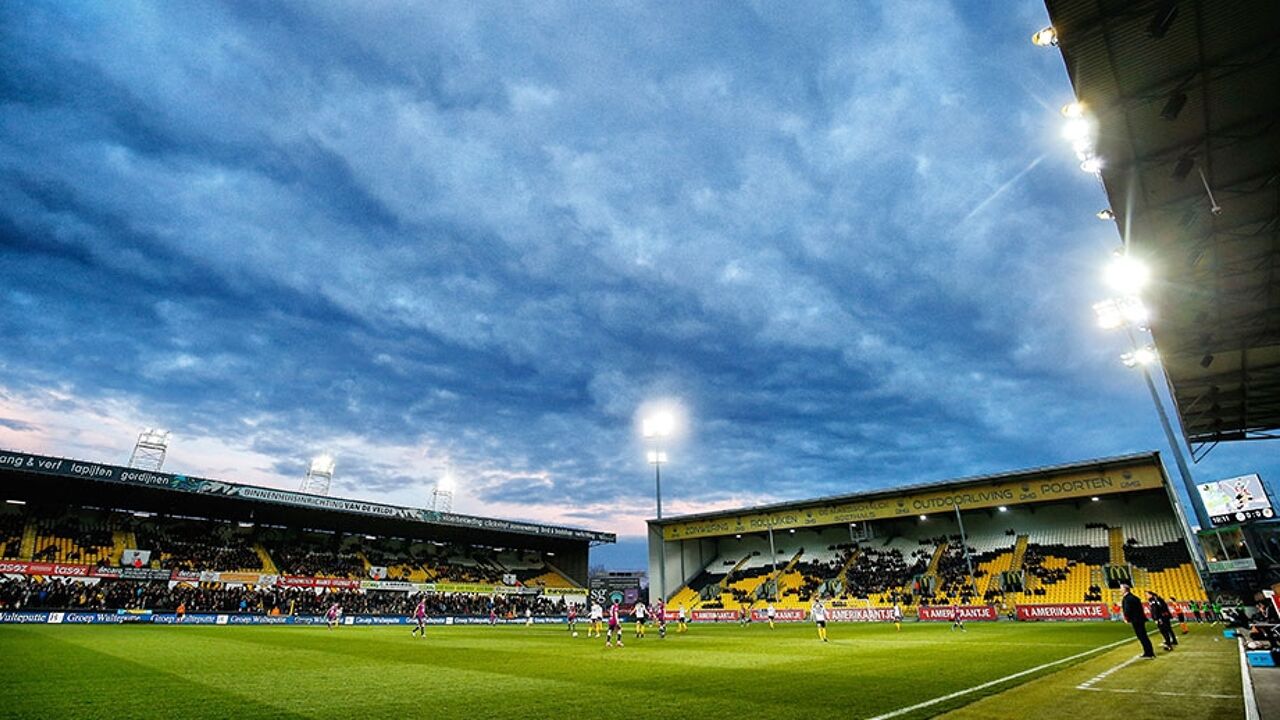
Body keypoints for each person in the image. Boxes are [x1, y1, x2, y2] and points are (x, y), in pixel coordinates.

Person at [1121, 584, 1155, 659]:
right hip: (1140, 619)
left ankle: (1149, 653)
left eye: (1121, 588)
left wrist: (1127, 618)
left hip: (1136, 620)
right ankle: (1149, 652)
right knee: (1144, 636)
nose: (1120, 590)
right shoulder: (1134, 597)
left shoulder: (1127, 598)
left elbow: (1127, 610)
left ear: (1125, 589)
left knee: (1142, 636)